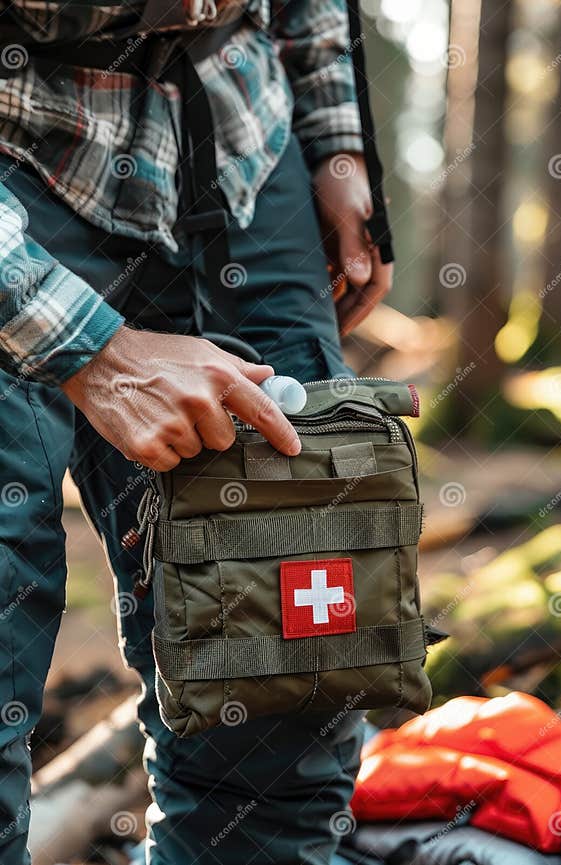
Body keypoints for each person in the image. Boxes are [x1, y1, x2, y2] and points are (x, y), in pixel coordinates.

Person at [0, 0, 393, 862]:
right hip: (17, 152)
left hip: (239, 146)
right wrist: (85, 346)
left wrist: (335, 136)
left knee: (289, 690)